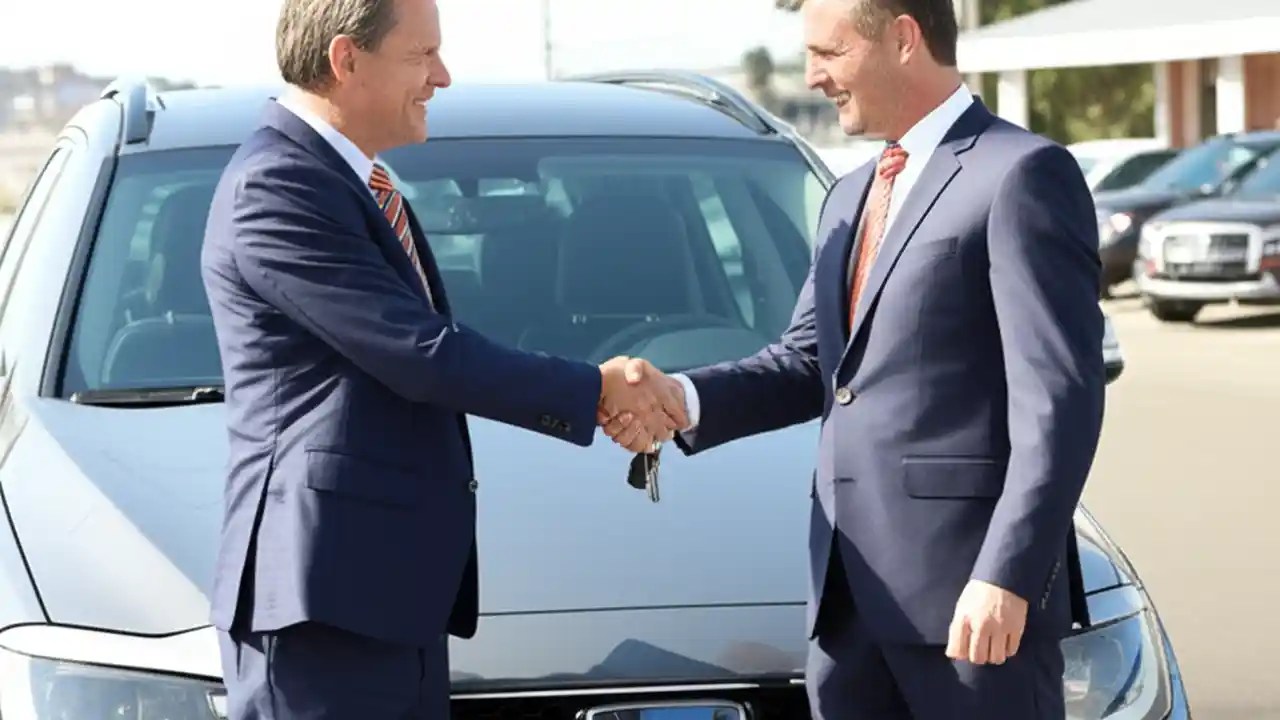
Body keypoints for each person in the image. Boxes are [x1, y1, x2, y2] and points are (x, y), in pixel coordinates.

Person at [603, 0, 1105, 717]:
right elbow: (808, 364)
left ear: (903, 38)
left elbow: (1057, 402)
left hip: (972, 614)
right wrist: (677, 397)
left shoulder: (1021, 174)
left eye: (829, 54)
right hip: (848, 611)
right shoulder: (848, 196)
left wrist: (1008, 575)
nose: (812, 78)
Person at [200, 0, 683, 716]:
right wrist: (595, 389)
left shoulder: (346, 180)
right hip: (323, 604)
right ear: (346, 59)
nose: (443, 77)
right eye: (422, 56)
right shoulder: (278, 186)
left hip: (386, 597)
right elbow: (420, 354)